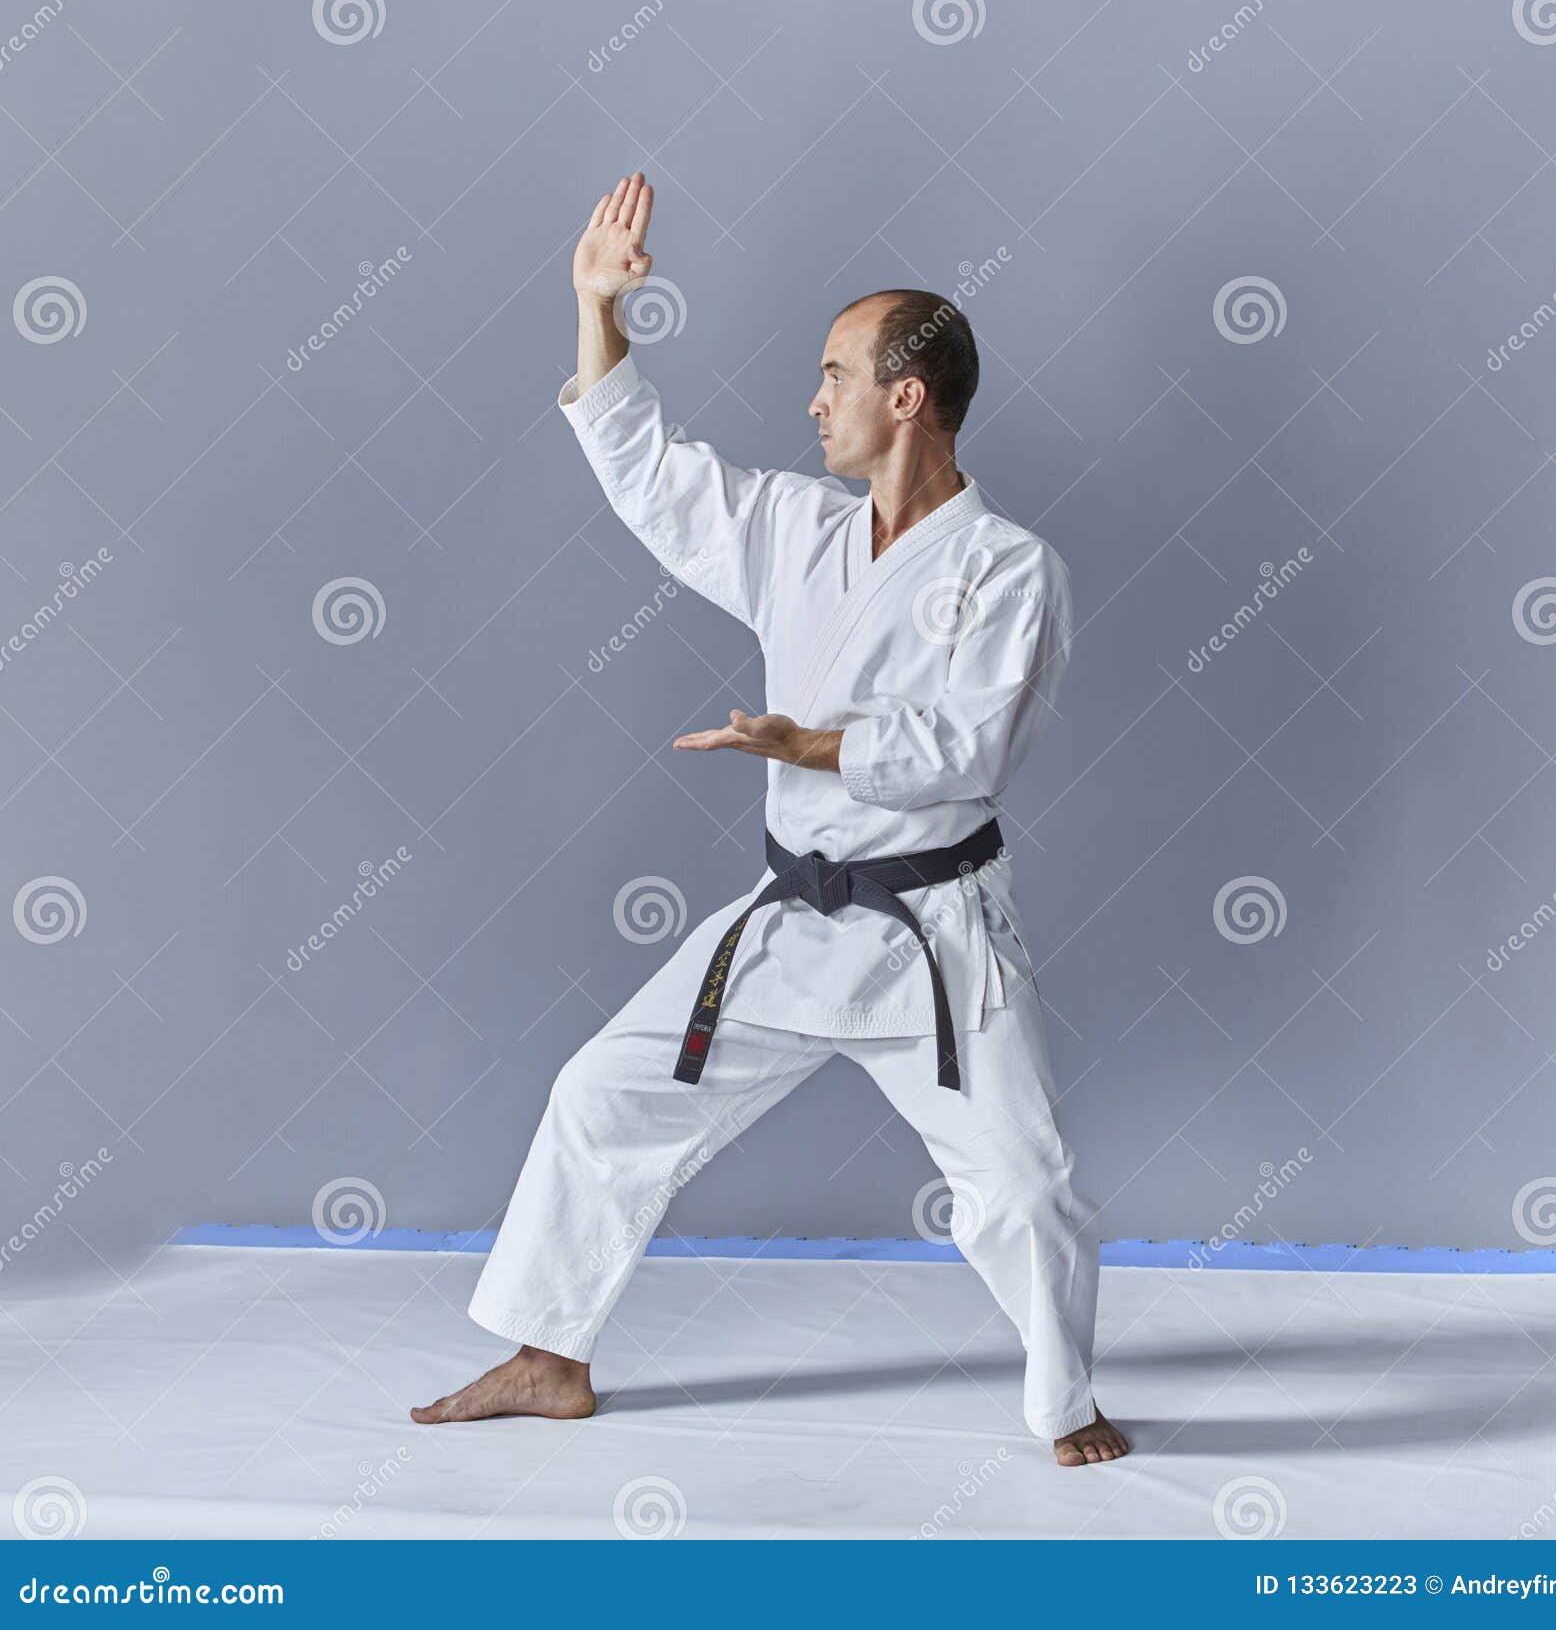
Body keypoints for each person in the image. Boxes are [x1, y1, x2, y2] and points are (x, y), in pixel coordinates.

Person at [412, 173, 1129, 1466]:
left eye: (834, 373)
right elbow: (654, 472)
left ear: (904, 396)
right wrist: (597, 309)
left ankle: (1065, 1401)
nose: (814, 398)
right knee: (599, 1096)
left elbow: (970, 745)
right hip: (792, 917)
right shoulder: (798, 529)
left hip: (934, 933)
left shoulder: (1012, 568)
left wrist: (812, 740)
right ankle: (550, 1352)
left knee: (1023, 1190)